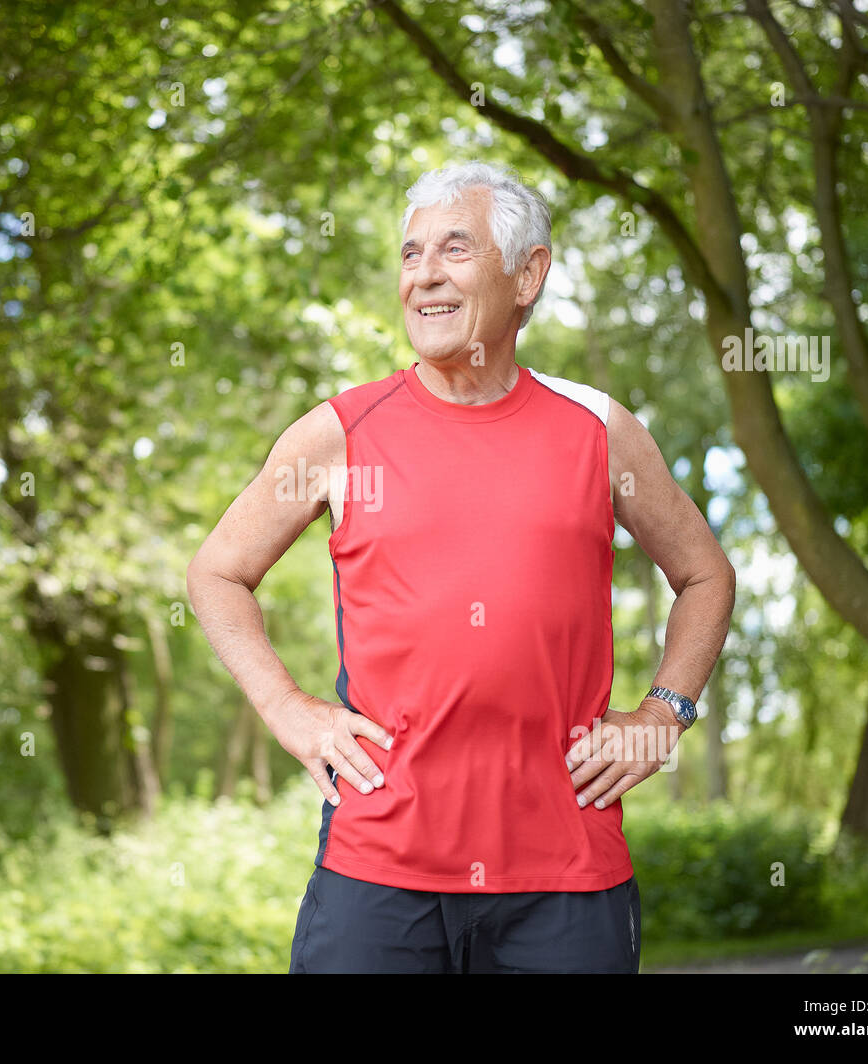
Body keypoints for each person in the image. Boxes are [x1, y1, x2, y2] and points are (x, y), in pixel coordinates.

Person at [186, 160, 735, 973]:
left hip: (567, 875)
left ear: (528, 274)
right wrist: (286, 707)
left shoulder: (599, 430)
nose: (424, 275)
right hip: (378, 872)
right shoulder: (340, 434)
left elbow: (705, 575)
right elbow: (216, 572)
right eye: (410, 255)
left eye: (454, 249)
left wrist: (663, 714)